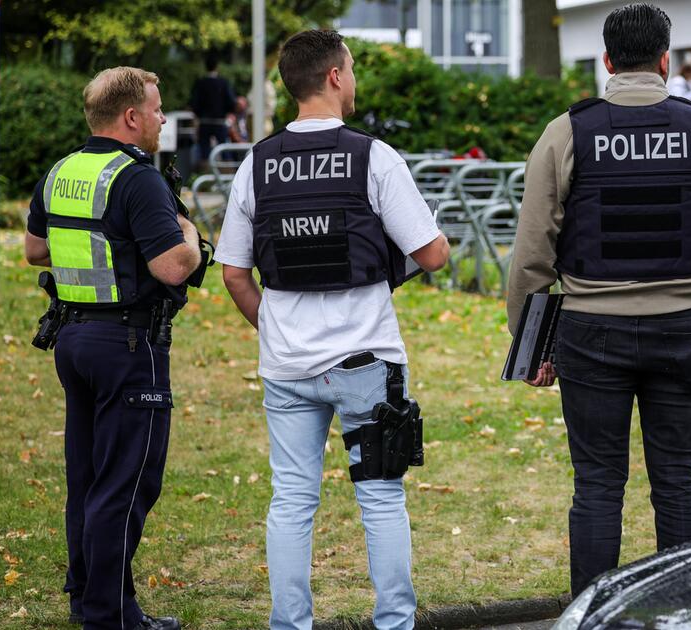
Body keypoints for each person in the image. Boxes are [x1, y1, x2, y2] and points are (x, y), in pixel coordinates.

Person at [506, 3, 691, 597]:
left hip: (590, 332)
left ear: (606, 60)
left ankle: (594, 615)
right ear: (665, 61)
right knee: (678, 479)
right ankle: (680, 612)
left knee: (597, 484)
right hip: (685, 328)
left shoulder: (566, 133)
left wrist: (531, 345)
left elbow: (531, 257)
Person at [215, 29, 450, 630]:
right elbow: (433, 255)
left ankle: (289, 625)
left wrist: (273, 327)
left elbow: (234, 273)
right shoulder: (374, 157)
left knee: (292, 501)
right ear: (336, 77)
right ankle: (394, 623)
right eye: (352, 68)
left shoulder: (256, 164)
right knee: (380, 498)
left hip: (286, 365)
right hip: (366, 361)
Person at [23, 67, 203, 630]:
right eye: (156, 109)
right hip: (129, 344)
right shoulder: (137, 178)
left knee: (88, 480)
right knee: (125, 484)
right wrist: (193, 239)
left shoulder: (62, 171)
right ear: (131, 117)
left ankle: (89, 599)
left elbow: (34, 249)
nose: (161, 119)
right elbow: (172, 265)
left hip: (73, 340)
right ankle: (110, 616)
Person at [188, 57, 237, 164]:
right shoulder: (223, 83)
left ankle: (205, 174)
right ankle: (227, 172)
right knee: (224, 150)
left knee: (204, 151)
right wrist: (227, 112)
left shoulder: (201, 83)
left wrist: (199, 114)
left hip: (204, 121)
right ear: (217, 67)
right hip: (220, 121)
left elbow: (194, 102)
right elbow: (231, 102)